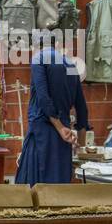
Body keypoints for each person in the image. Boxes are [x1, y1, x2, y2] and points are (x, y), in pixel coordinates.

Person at [15, 38, 92, 185]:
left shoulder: (39, 59)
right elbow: (82, 108)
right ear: (57, 45)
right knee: (59, 189)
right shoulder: (70, 64)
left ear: (35, 47)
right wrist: (80, 144)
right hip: (63, 140)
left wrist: (60, 128)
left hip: (42, 135)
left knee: (32, 191)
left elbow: (44, 99)